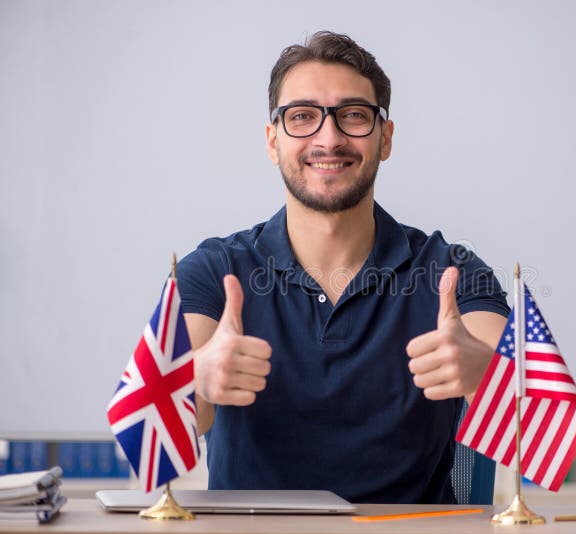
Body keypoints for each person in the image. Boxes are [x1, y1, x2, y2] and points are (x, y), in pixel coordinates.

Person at [177, 30, 509, 504]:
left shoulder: (452, 273)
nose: (328, 138)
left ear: (385, 138)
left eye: (353, 115)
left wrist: (486, 375)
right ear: (273, 142)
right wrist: (199, 380)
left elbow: (533, 423)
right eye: (303, 117)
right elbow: (161, 429)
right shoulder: (214, 270)